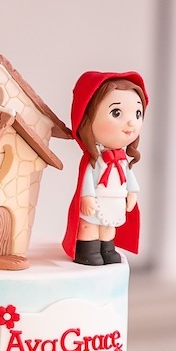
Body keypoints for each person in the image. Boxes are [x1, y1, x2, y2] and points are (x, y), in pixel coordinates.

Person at [62, 71, 148, 266]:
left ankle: (107, 249)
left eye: (137, 113)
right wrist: (87, 196)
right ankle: (88, 250)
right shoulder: (95, 160)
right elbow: (86, 180)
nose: (131, 122)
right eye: (116, 113)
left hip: (116, 200)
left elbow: (129, 179)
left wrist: (132, 194)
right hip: (96, 199)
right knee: (89, 225)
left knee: (109, 225)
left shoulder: (123, 160)